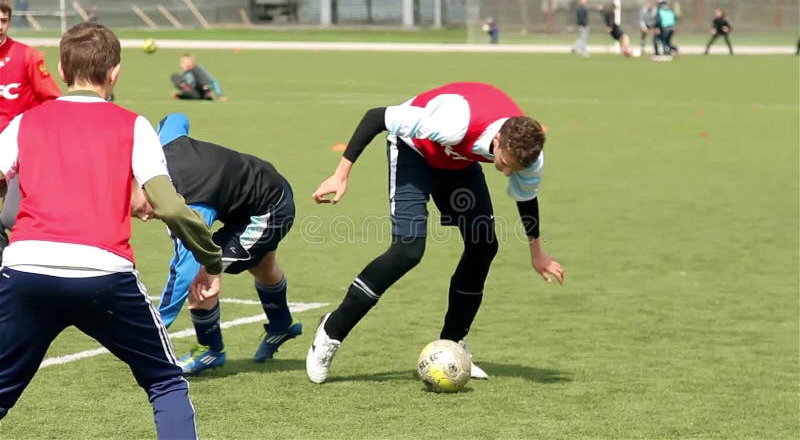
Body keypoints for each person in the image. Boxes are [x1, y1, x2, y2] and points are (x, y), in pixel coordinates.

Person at [0, 22, 223, 438]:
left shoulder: (24, 123)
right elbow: (171, 206)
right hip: (103, 274)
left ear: (63, 73)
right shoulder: (134, 125)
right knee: (164, 381)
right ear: (115, 72)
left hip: (26, 269)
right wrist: (211, 260)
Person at [305, 82, 565, 384]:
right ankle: (331, 332)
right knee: (407, 251)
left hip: (457, 163)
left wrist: (537, 252)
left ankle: (453, 344)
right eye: (504, 164)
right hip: (414, 151)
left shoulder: (528, 156)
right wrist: (340, 175)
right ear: (497, 140)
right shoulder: (453, 122)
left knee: (483, 245)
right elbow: (375, 117)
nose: (507, 173)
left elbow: (526, 197)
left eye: (513, 169)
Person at [135, 113, 301, 375]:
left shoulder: (190, 206)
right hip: (260, 186)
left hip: (270, 210)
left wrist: (152, 328)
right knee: (262, 266)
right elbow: (176, 118)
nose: (145, 217)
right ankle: (282, 324)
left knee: (200, 276)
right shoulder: (162, 149)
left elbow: (182, 272)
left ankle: (211, 350)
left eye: (143, 209)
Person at [0, 0, 61, 258]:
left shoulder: (27, 56)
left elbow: (52, 101)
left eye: (3, 20)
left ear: (10, 22)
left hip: (20, 153)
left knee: (16, 217)